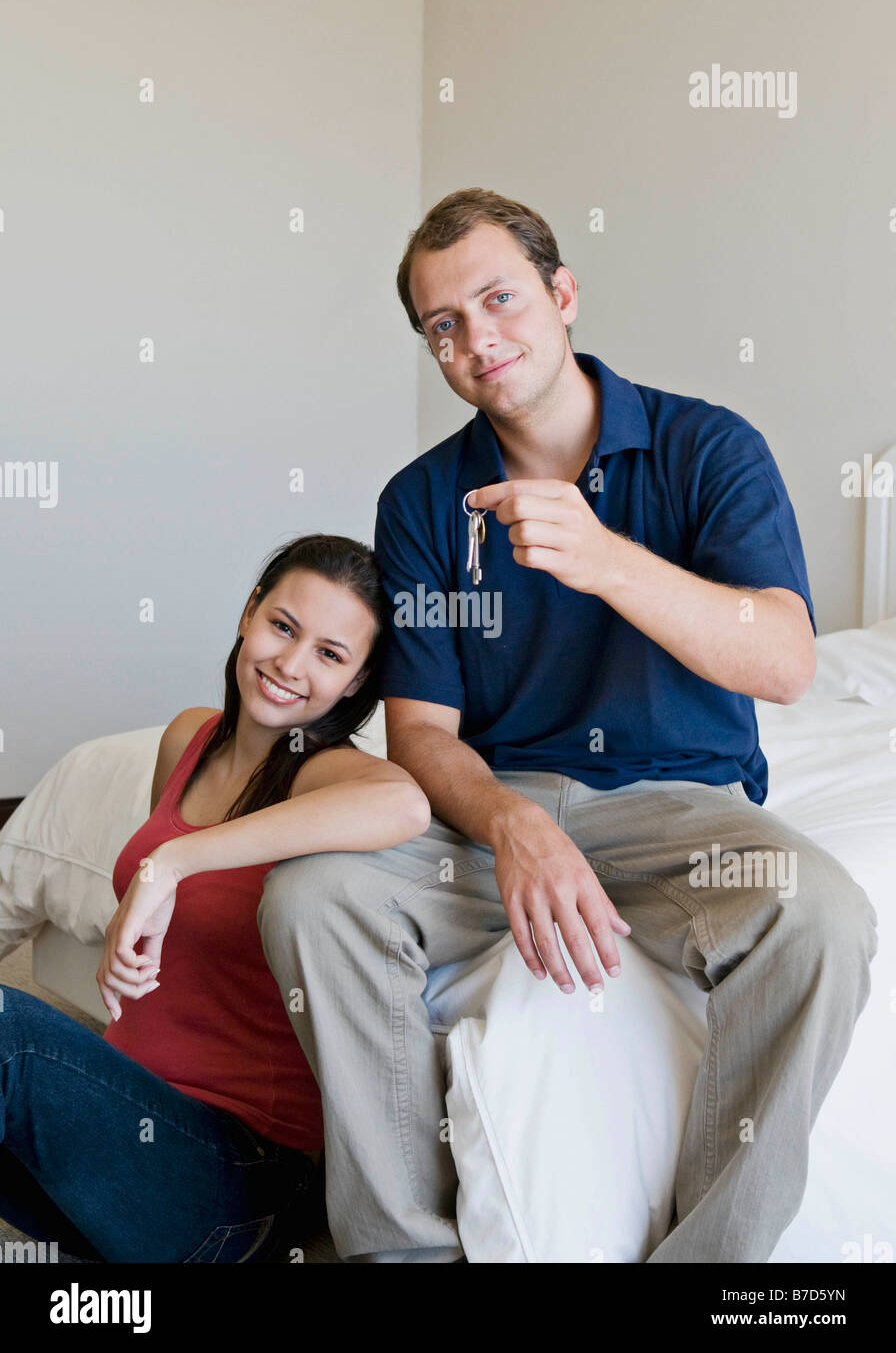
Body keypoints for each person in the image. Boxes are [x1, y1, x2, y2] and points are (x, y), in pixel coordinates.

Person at [259, 188, 878, 1264]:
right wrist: (511, 825)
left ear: (563, 294)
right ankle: (403, 1252)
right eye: (443, 325)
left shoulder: (707, 448)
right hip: (488, 820)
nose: (477, 339)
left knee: (821, 917)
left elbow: (784, 662)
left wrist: (603, 559)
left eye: (500, 299)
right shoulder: (422, 500)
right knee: (312, 895)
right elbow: (421, 731)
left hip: (679, 808)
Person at [0, 533, 430, 1263]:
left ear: (356, 681)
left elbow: (405, 804)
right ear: (248, 612)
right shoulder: (188, 739)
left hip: (241, 1176)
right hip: (132, 1123)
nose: (290, 665)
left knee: (9, 1035)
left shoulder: (320, 772)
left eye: (330, 655)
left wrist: (171, 862)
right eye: (283, 626)